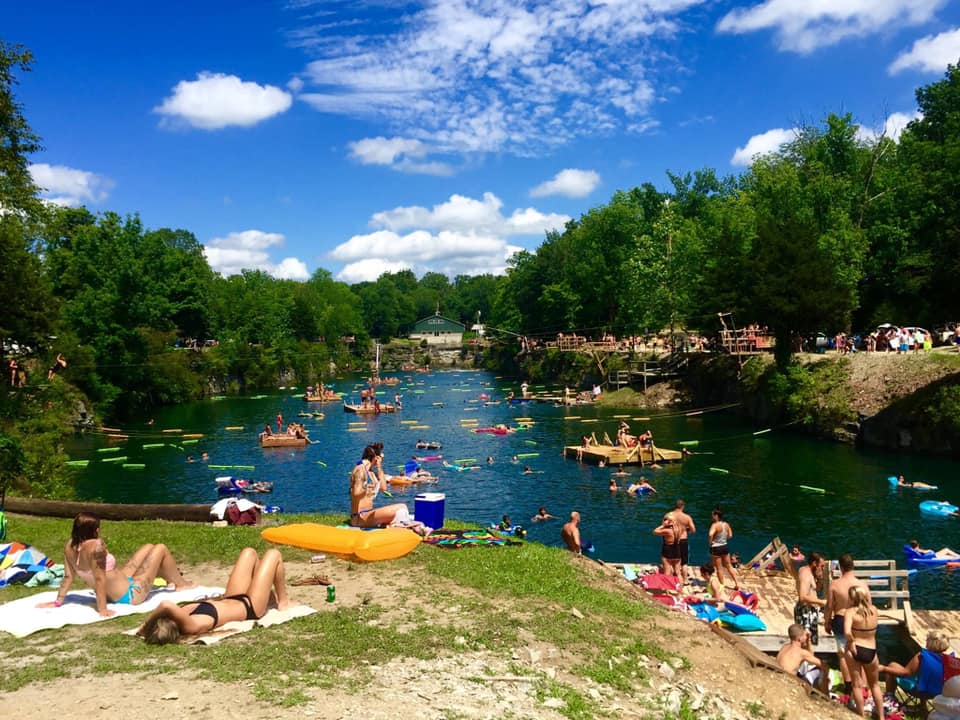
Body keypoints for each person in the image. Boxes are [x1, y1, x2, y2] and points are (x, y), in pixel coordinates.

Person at [39, 512, 195, 617]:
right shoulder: (96, 547)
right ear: (96, 530)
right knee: (160, 548)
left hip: (122, 582)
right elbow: (99, 579)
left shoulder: (69, 546)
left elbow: (68, 577)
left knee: (148, 547)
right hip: (130, 595)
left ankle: (169, 577)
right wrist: (102, 609)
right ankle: (181, 584)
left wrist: (57, 602)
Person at [137, 548, 288, 644]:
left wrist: (147, 628)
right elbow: (166, 605)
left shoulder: (179, 618)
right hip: (251, 607)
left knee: (249, 553)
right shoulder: (192, 626)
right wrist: (145, 626)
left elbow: (168, 609)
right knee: (273, 554)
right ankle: (283, 602)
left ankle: (267, 596)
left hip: (231, 597)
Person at [825, 553, 872, 695]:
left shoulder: (835, 584)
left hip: (841, 619)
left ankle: (849, 685)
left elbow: (829, 606)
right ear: (853, 566)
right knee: (860, 652)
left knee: (843, 654)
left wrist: (827, 622)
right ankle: (864, 686)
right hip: (859, 619)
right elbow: (869, 606)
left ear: (841, 567)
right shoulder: (862, 584)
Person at [349, 444, 414, 528]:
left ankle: (396, 525)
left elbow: (384, 488)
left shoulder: (371, 472)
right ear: (376, 457)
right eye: (381, 458)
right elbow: (356, 494)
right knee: (402, 507)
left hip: (367, 514)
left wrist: (379, 466)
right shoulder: (360, 470)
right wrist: (365, 488)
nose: (382, 460)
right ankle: (400, 525)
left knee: (402, 509)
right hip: (359, 517)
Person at [844, 586, 884, 719]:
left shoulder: (850, 612)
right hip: (871, 650)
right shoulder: (874, 610)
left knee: (856, 685)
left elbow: (847, 632)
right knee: (875, 685)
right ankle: (881, 717)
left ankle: (861, 715)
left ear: (851, 598)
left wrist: (851, 642)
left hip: (855, 649)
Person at [879, 631, 951, 694]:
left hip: (917, 690)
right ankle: (922, 704)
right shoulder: (946, 659)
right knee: (924, 677)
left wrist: (884, 668)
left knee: (892, 665)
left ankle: (890, 697)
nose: (926, 640)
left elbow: (906, 673)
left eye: (928, 639)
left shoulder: (922, 656)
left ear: (931, 643)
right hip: (937, 692)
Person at [777, 624, 828, 692]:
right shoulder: (801, 652)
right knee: (823, 668)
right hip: (789, 682)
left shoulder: (784, 647)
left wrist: (808, 640)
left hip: (779, 677)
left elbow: (809, 655)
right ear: (800, 639)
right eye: (804, 635)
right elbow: (820, 663)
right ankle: (826, 694)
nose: (806, 637)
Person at [794, 552, 826, 649]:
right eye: (821, 566)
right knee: (805, 642)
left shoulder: (810, 573)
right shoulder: (806, 574)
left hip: (811, 611)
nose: (823, 569)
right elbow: (802, 596)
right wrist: (821, 602)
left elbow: (815, 589)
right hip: (805, 611)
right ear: (814, 563)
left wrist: (820, 578)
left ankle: (808, 657)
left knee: (811, 642)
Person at [708, 507, 739, 590]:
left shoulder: (714, 525)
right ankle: (736, 583)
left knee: (719, 568)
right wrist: (724, 539)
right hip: (725, 546)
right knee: (729, 566)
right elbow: (730, 535)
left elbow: (710, 534)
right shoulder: (726, 524)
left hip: (716, 547)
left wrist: (711, 542)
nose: (712, 516)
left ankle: (722, 585)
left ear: (716, 516)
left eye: (713, 515)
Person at [673, 500, 696, 584]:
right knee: (684, 562)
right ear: (683, 506)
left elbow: (664, 526)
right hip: (683, 539)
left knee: (673, 560)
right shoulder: (687, 517)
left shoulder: (669, 515)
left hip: (673, 539)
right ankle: (685, 580)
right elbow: (693, 530)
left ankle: (675, 579)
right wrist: (686, 530)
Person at [653, 513, 682, 577]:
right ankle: (680, 583)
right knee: (678, 572)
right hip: (677, 550)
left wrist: (663, 525)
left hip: (668, 551)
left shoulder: (667, 531)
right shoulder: (679, 528)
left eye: (666, 520)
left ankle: (667, 583)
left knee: (667, 573)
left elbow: (655, 531)